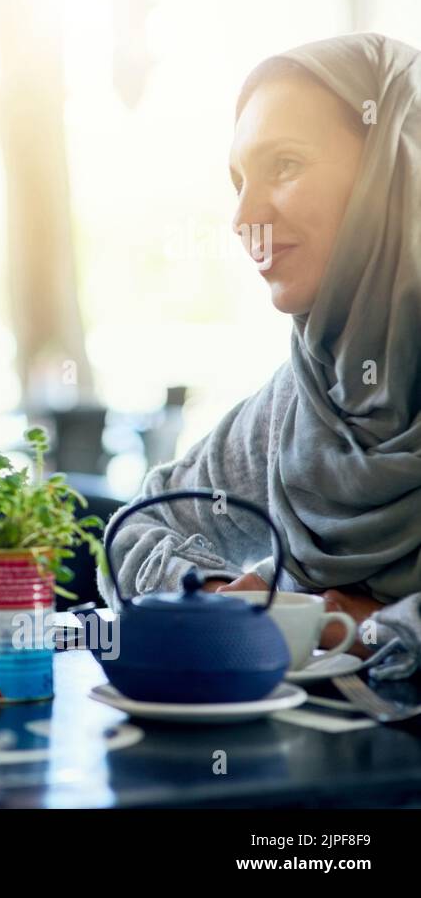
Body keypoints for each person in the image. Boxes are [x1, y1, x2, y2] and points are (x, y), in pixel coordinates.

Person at [100, 34, 421, 677]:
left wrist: (374, 628)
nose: (245, 216)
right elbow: (135, 527)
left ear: (392, 169)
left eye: (284, 166)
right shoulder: (305, 402)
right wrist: (216, 596)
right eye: (238, 181)